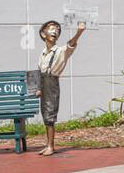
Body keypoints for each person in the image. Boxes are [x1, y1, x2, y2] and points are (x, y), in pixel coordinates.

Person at [35, 19, 86, 156]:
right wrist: (39, 88)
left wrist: (79, 32)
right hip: (44, 83)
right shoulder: (43, 53)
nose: (55, 31)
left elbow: (71, 44)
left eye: (57, 30)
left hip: (52, 83)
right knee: (45, 114)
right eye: (51, 29)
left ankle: (51, 147)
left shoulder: (61, 51)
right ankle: (48, 145)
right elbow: (40, 71)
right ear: (43, 34)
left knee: (50, 114)